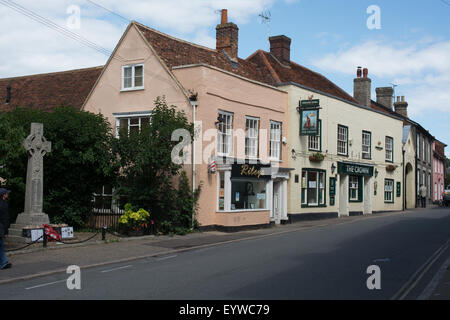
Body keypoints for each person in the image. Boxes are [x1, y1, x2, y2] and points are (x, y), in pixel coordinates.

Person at [0, 188, 12, 270]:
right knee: (0, 246)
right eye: (6, 193)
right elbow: (5, 218)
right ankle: (3, 263)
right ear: (3, 195)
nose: (7, 194)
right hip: (0, 227)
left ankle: (4, 261)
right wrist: (6, 231)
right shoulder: (3, 204)